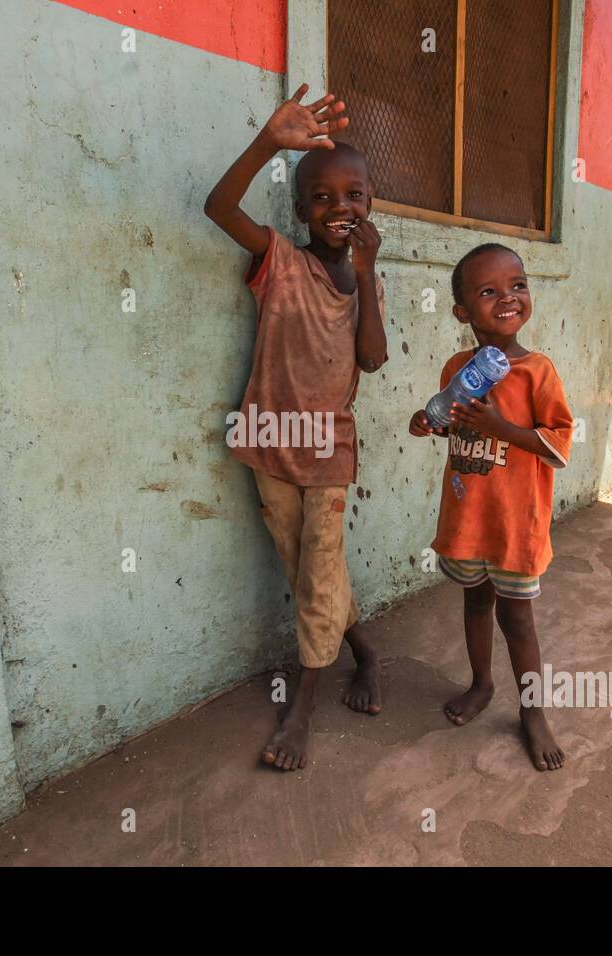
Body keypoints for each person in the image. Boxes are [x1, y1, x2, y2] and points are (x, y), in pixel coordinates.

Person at [204, 84, 389, 771]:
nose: (340, 208)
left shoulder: (363, 277)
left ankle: (303, 707)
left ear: (371, 206)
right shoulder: (279, 261)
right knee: (307, 569)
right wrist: (267, 143)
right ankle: (366, 652)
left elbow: (371, 356)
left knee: (318, 574)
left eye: (355, 196)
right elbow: (217, 208)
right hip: (267, 444)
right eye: (322, 197)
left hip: (328, 454)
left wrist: (368, 277)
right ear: (299, 209)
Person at [408, 243, 574, 771]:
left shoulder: (536, 372)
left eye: (517, 285)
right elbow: (457, 430)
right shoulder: (457, 367)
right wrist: (429, 423)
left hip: (514, 527)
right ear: (462, 312)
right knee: (475, 604)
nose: (508, 297)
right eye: (488, 291)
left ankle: (533, 713)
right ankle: (481, 684)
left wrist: (502, 428)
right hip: (468, 519)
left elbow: (557, 444)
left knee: (518, 619)